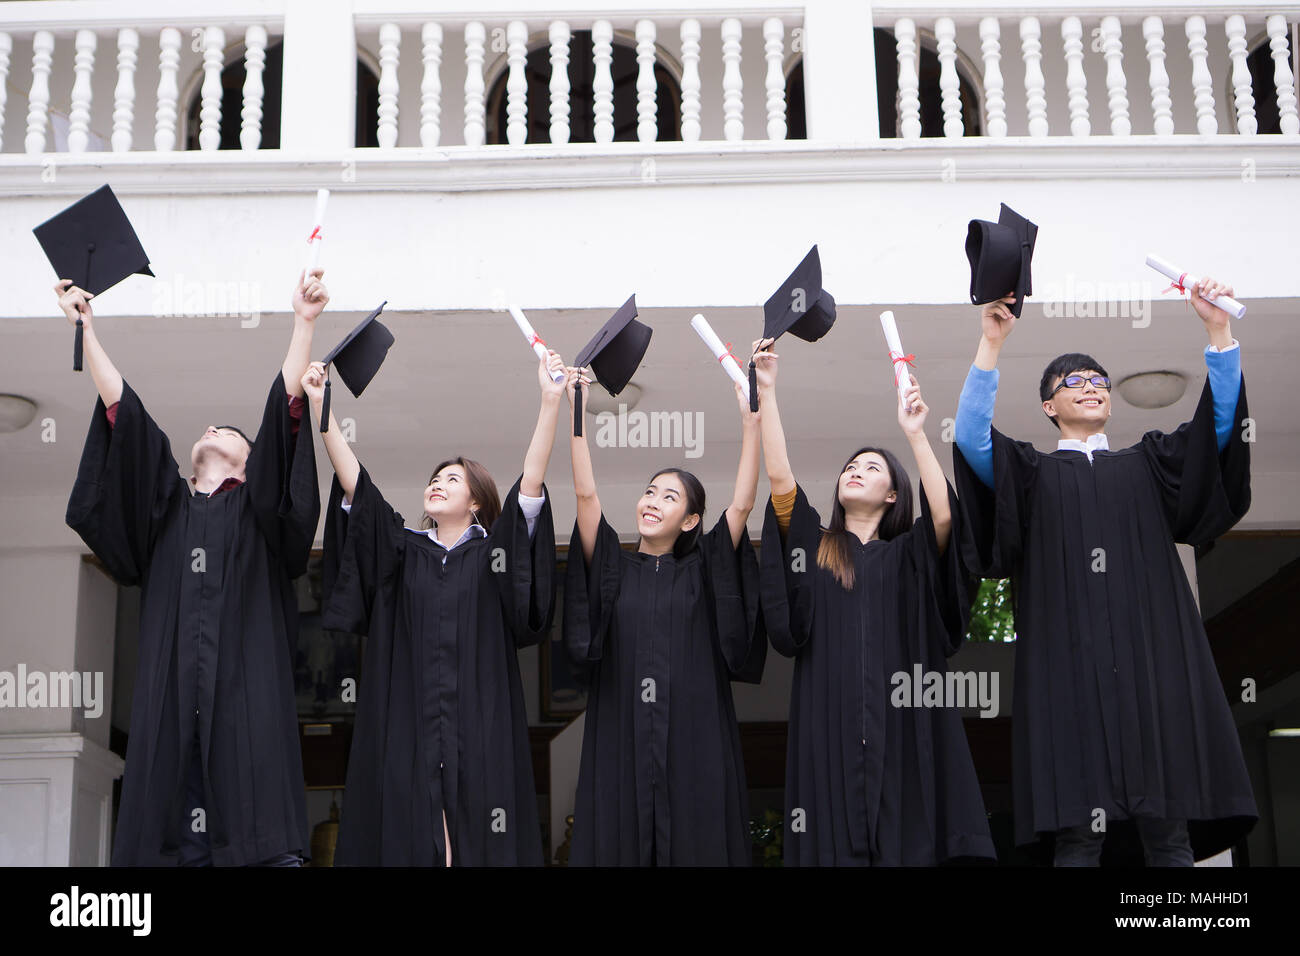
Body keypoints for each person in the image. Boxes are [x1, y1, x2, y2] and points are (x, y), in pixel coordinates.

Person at [951, 279, 1256, 866]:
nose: (1091, 389)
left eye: (1099, 382)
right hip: (1068, 673)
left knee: (1168, 829)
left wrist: (1218, 333)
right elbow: (970, 438)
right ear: (1049, 406)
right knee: (1078, 833)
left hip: (1154, 667)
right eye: (1074, 382)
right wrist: (991, 342)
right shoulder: (1032, 475)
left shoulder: (1148, 464)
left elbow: (1218, 431)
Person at [62, 269, 326, 866]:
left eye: (229, 431)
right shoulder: (167, 511)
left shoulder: (260, 513)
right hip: (171, 703)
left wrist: (302, 323)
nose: (211, 427)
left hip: (245, 701)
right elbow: (121, 413)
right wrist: (86, 328)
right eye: (207, 429)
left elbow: (284, 412)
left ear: (251, 462)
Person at [304, 350, 568, 866]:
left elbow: (530, 486)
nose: (437, 483)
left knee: (480, 813)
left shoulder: (493, 554)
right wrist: (323, 408)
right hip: (408, 711)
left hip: (479, 712)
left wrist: (550, 400)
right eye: (435, 477)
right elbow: (358, 484)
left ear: (476, 500)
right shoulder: (402, 551)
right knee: (407, 812)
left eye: (452, 479)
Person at [753, 339, 994, 865]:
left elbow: (945, 516)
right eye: (850, 466)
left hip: (905, 718)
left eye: (871, 467)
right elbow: (779, 480)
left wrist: (915, 434)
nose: (854, 471)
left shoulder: (908, 555)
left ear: (893, 495)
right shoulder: (816, 549)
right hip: (830, 719)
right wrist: (766, 392)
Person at [562, 361, 767, 866]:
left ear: (691, 519)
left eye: (669, 496)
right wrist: (576, 411)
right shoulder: (612, 566)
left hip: (695, 731)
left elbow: (741, 505)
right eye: (650, 491)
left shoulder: (705, 569)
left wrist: (751, 421)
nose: (653, 501)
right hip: (622, 728)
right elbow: (586, 496)